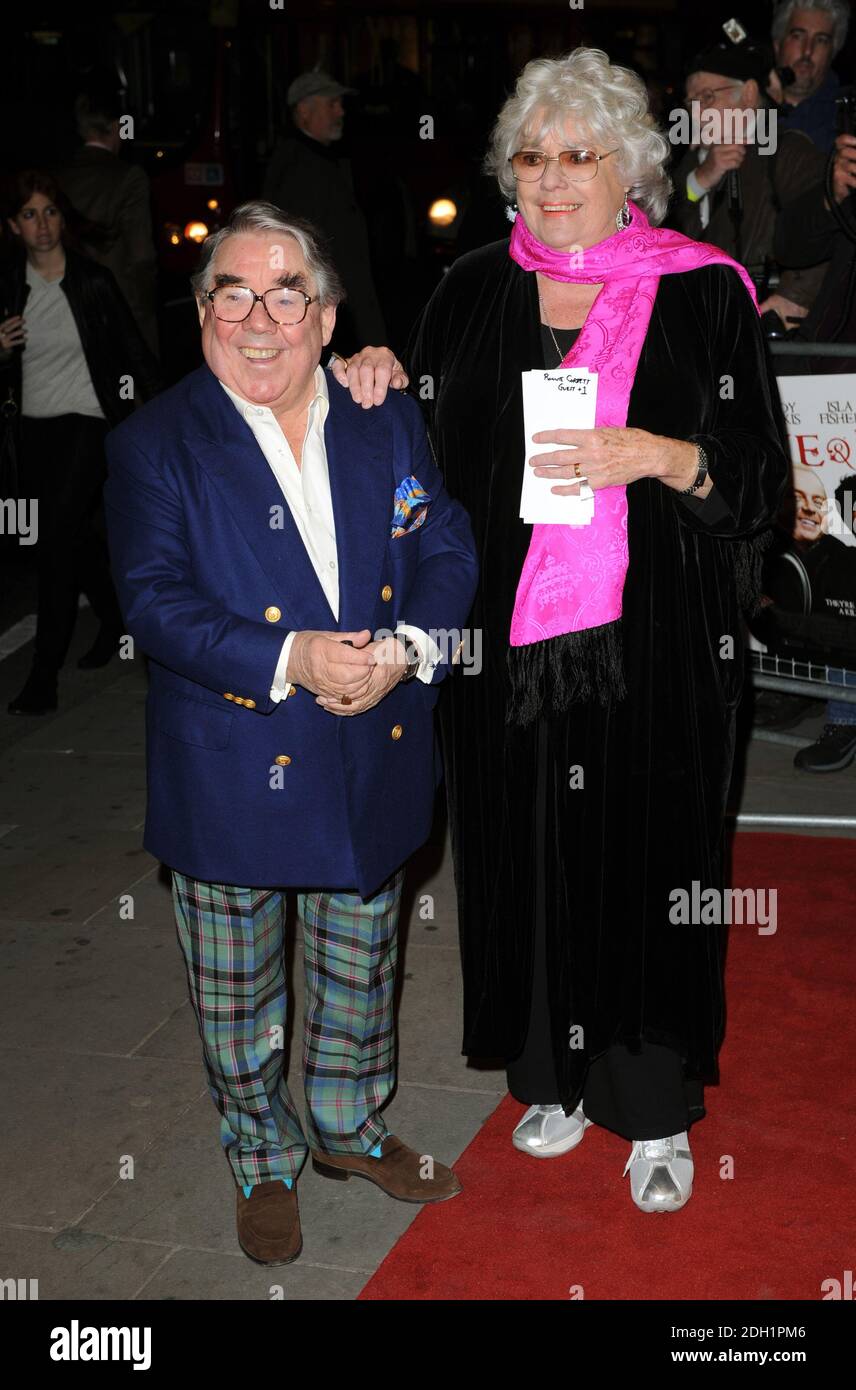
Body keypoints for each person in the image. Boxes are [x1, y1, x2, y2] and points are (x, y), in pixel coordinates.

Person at [332, 48, 790, 1213]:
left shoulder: (703, 289)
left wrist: (655, 453)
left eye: (575, 155)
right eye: (530, 157)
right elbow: (420, 466)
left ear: (627, 164)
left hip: (660, 637)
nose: (549, 179)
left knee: (650, 855)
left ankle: (649, 1105)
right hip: (505, 636)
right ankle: (549, 1073)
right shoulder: (473, 288)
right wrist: (381, 376)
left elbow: (758, 485)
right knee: (521, 846)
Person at [102, 201, 479, 1266]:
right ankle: (260, 1153)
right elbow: (154, 604)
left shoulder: (381, 409)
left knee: (364, 962)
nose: (257, 318)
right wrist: (291, 659)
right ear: (201, 308)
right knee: (238, 990)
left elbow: (443, 538)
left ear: (327, 315)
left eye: (286, 293)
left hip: (373, 736)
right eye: (233, 291)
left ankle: (348, 1127)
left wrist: (408, 645)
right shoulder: (154, 441)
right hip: (231, 756)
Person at [0, 170, 161, 715]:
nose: (41, 224)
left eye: (49, 212)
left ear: (63, 220)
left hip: (89, 421)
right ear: (13, 226)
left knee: (52, 546)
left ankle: (43, 676)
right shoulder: (7, 289)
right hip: (32, 431)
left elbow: (134, 353)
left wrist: (165, 418)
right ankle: (114, 619)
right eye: (29, 214)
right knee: (71, 535)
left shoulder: (92, 280)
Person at [671, 31, 828, 330]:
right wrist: (699, 182)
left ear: (749, 94)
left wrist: (794, 298)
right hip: (705, 323)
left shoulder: (787, 151)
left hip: (769, 330)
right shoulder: (692, 163)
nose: (695, 112)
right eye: (690, 101)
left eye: (706, 97)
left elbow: (828, 223)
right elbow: (664, 229)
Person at [263, 71, 386, 355]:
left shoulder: (318, 159)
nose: (340, 111)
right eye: (332, 104)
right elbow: (301, 254)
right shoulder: (301, 169)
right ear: (304, 111)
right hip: (330, 322)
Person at [56, 90, 159, 356]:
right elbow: (141, 255)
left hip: (69, 302)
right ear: (118, 127)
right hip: (121, 304)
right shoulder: (129, 177)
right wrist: (147, 302)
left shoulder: (60, 175)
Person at [771, 0, 851, 154]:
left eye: (821, 40)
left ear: (833, 52)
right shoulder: (743, 106)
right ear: (778, 44)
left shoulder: (846, 117)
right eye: (798, 36)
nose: (807, 51)